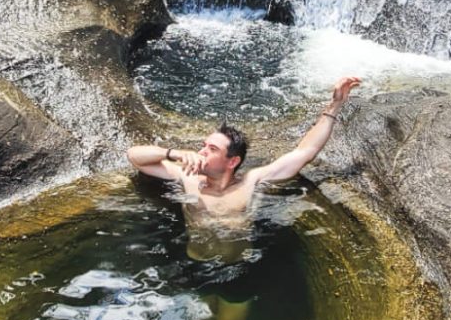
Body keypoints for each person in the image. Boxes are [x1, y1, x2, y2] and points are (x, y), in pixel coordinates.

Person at [126, 76, 363, 220]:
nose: (202, 151)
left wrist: (335, 105)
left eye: (212, 149)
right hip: (196, 262)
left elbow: (305, 152)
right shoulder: (188, 177)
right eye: (203, 146)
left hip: (237, 267)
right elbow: (134, 156)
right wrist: (173, 153)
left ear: (232, 161)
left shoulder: (251, 181)